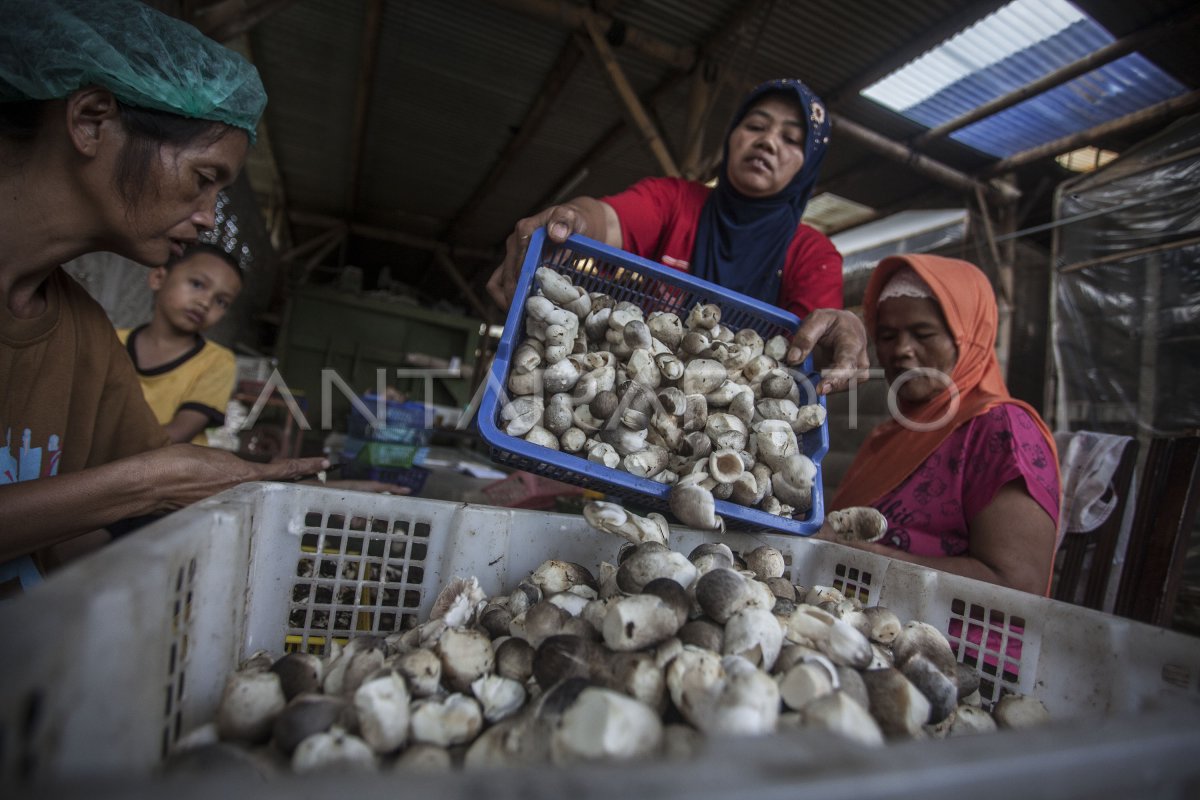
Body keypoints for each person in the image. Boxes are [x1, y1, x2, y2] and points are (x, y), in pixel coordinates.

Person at [0, 0, 328, 592]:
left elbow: (69, 532)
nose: (208, 218)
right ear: (91, 120)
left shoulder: (84, 336)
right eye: (203, 179)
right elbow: (148, 478)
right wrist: (149, 483)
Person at [487, 78, 869, 396]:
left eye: (791, 139)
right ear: (732, 136)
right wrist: (572, 219)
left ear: (809, 165)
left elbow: (814, 350)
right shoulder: (674, 201)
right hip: (635, 389)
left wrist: (842, 330)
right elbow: (607, 219)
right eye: (755, 126)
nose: (768, 141)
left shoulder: (813, 253)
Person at [825, 254, 1061, 596]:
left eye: (923, 334)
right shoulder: (891, 436)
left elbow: (1016, 585)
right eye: (887, 336)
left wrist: (868, 560)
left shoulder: (1000, 431)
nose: (902, 350)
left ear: (969, 338)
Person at [118, 243, 243, 445]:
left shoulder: (218, 362)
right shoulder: (111, 341)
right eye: (197, 284)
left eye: (221, 301)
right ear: (158, 278)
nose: (205, 303)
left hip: (167, 463)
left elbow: (178, 435)